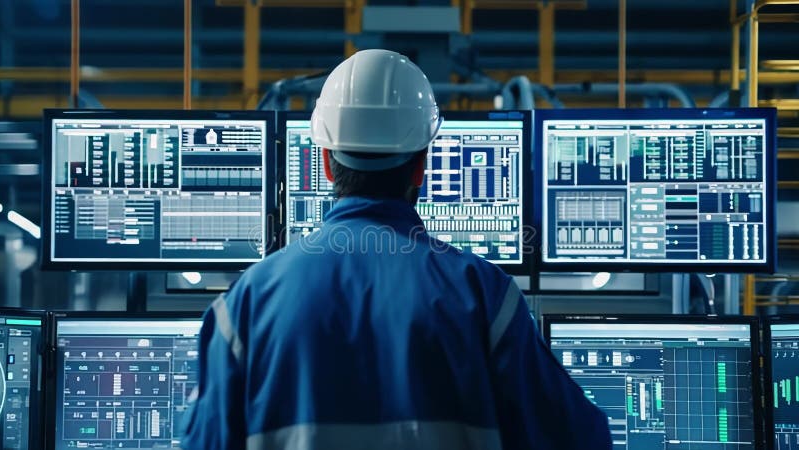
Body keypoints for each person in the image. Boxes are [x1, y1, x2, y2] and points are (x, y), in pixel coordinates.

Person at [181, 49, 611, 450]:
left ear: (327, 163)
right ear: (421, 166)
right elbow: (582, 438)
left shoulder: (244, 305)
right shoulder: (484, 297)